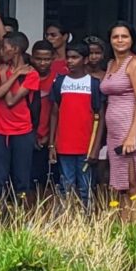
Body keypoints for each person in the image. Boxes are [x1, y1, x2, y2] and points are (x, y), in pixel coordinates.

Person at [95, 23, 136, 220]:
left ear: (132, 39)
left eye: (124, 36)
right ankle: (125, 228)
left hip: (132, 130)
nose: (120, 40)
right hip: (115, 133)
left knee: (135, 184)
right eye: (115, 37)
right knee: (122, 186)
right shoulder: (111, 63)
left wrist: (132, 135)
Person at [42, 43, 102, 210]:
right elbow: (54, 113)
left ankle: (87, 219)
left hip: (86, 145)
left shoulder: (93, 84)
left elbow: (100, 117)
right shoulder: (60, 82)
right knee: (65, 186)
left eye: (75, 57)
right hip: (64, 145)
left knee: (85, 187)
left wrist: (96, 147)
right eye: (68, 57)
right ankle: (66, 220)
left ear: (85, 60)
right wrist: (52, 144)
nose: (70, 61)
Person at [0, 33, 41, 206]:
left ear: (16, 49)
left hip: (22, 131)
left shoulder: (31, 74)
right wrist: (13, 76)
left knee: (22, 179)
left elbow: (10, 101)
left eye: (4, 48)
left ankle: (21, 217)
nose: (0, 51)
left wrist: (8, 77)